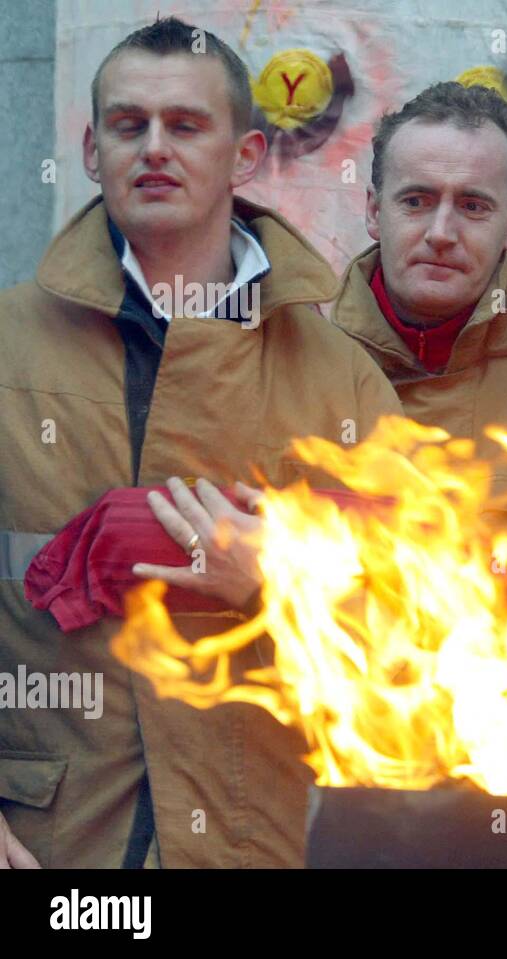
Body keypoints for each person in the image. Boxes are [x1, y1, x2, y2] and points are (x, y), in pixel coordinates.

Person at [0, 17, 402, 868]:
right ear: (89, 149)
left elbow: (418, 638)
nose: (153, 147)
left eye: (185, 126)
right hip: (57, 847)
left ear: (246, 154)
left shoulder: (342, 381)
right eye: (128, 124)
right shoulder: (7, 349)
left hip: (256, 843)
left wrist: (285, 577)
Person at [330, 81, 507, 533]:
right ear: (372, 211)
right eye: (417, 201)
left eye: (473, 205)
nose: (441, 232)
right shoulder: (297, 359)